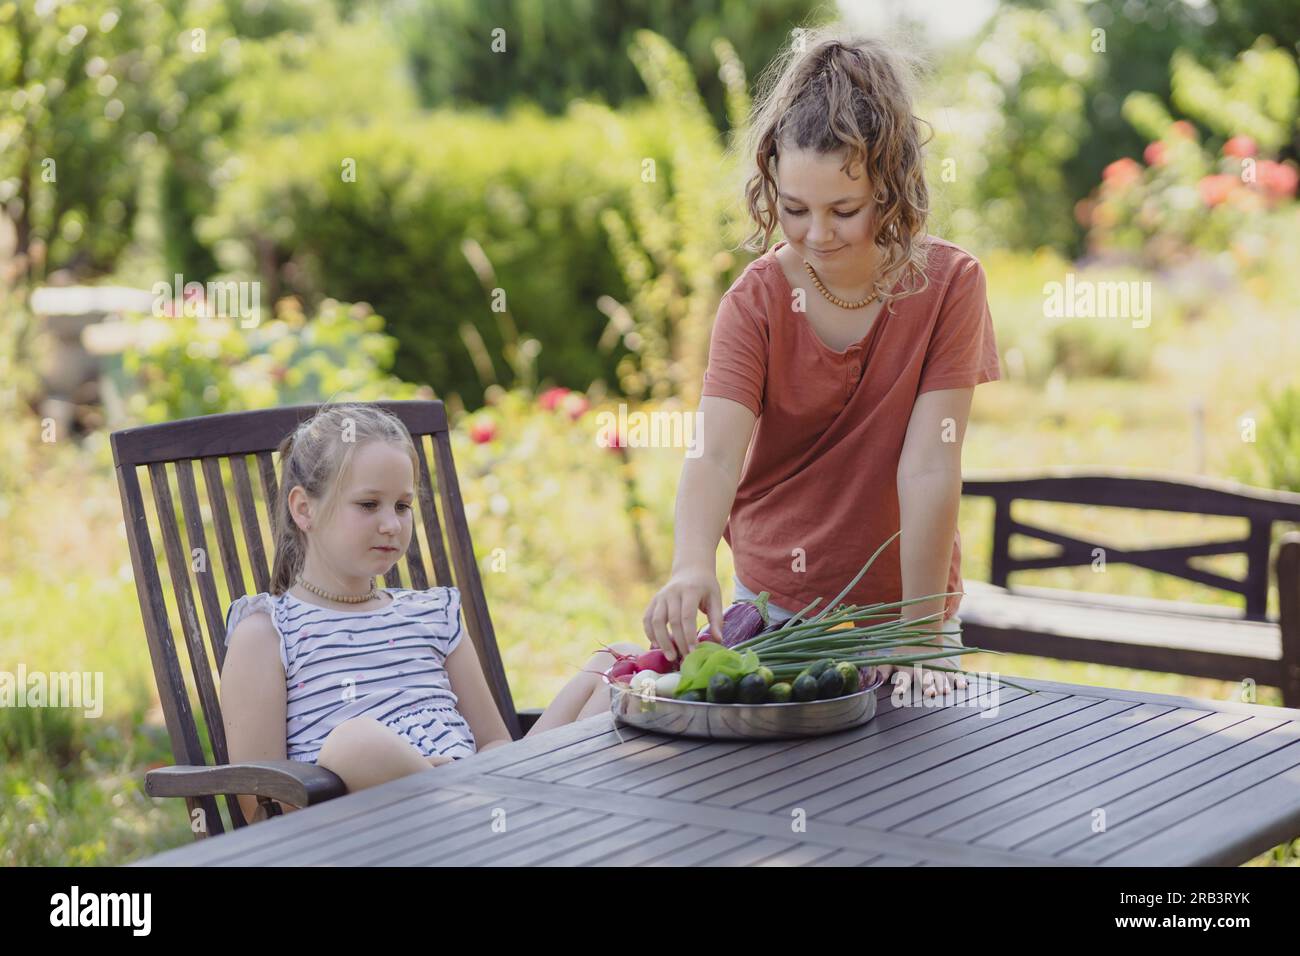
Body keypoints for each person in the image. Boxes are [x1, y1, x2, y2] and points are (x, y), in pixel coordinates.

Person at [642, 27, 1001, 699]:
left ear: (891, 188)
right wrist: (691, 564)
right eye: (794, 209)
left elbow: (930, 462)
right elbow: (715, 453)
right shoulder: (756, 302)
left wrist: (919, 635)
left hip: (905, 617)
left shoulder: (951, 285)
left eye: (844, 210)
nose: (815, 234)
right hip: (775, 610)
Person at [220, 401, 639, 821]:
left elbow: (495, 743)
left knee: (620, 663)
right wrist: (426, 777)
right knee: (355, 741)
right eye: (369, 505)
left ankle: (503, 821)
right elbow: (262, 802)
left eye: (402, 506)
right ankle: (506, 824)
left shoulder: (432, 613)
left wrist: (465, 776)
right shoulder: (267, 632)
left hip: (489, 791)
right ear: (303, 508)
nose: (391, 524)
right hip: (373, 833)